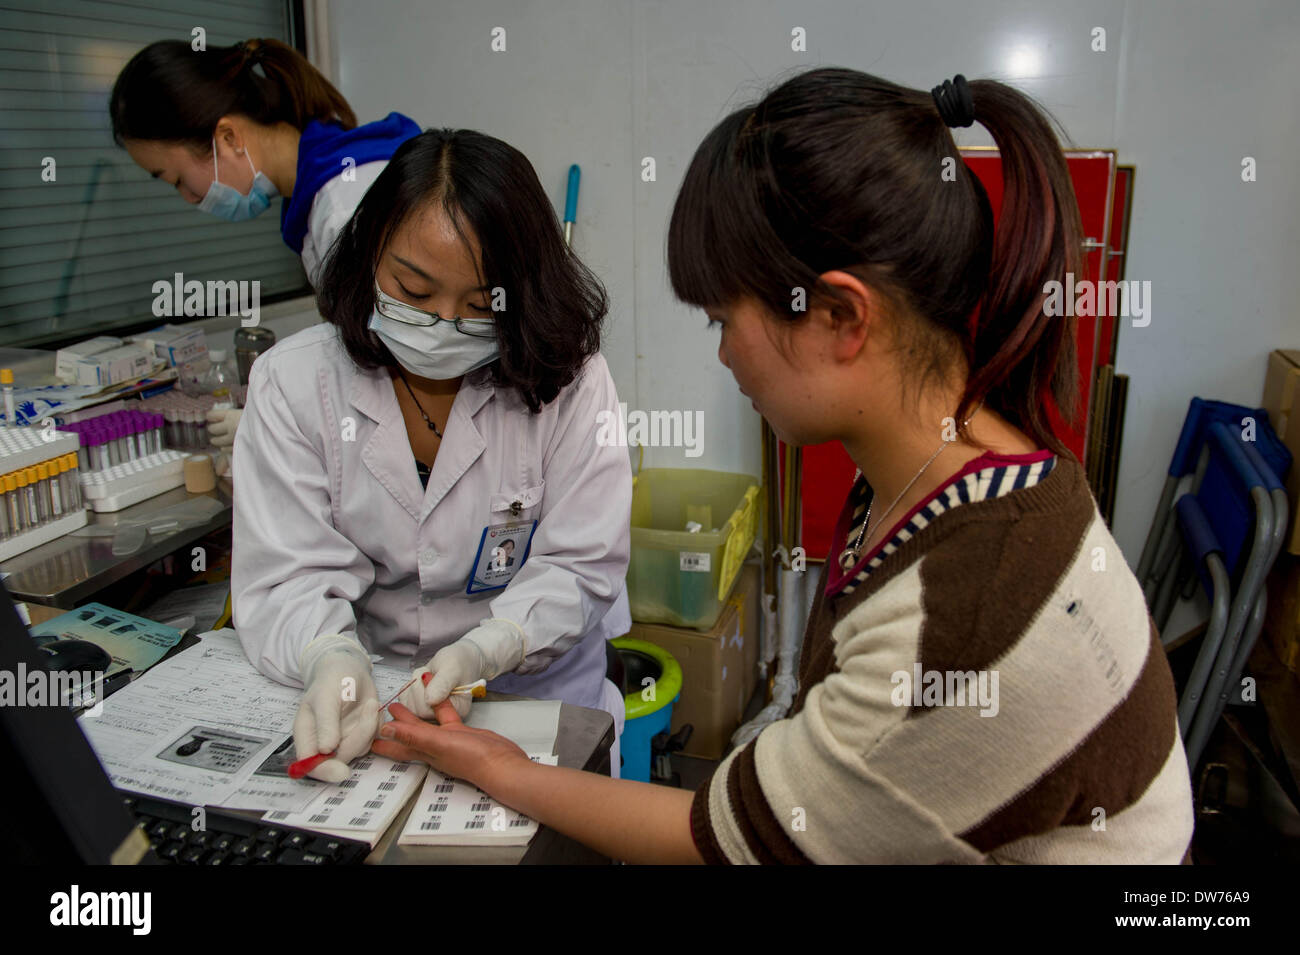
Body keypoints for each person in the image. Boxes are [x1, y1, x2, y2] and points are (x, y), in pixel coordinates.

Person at [370, 68, 1196, 864]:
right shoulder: (943, 473)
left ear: (840, 315)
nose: (725, 354)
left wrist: (500, 768)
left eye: (725, 319)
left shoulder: (963, 615)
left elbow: (724, 838)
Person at [230, 129, 631, 783]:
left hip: (534, 694)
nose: (445, 324)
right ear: (368, 256)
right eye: (414, 292)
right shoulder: (296, 383)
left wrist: (491, 645)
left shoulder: (572, 381)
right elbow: (286, 573)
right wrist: (330, 655)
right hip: (376, 694)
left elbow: (582, 564)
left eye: (480, 305)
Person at [109, 37, 421, 450]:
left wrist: (280, 427)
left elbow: (401, 375)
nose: (187, 198)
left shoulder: (345, 205)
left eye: (177, 179)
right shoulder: (322, 191)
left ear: (229, 137)